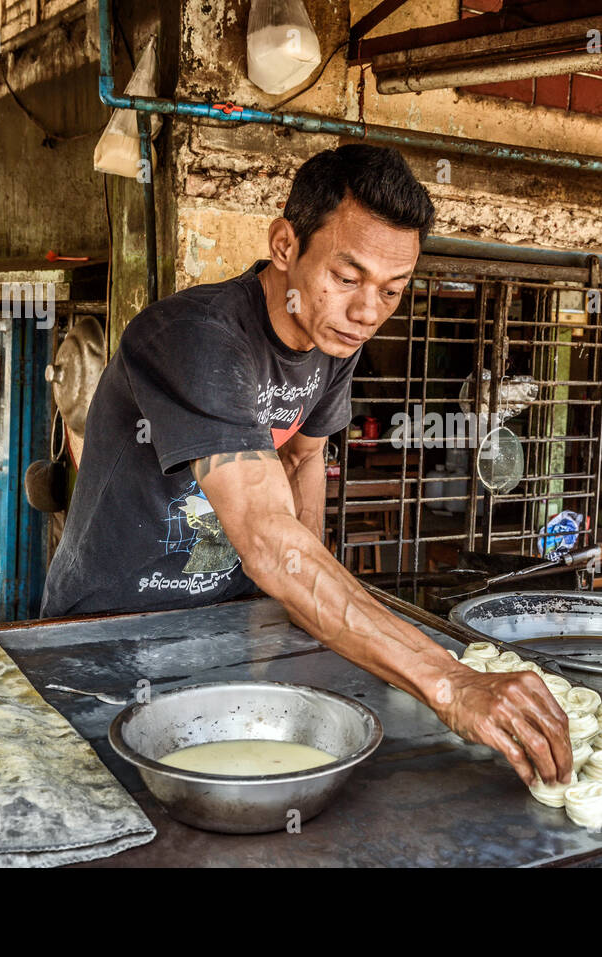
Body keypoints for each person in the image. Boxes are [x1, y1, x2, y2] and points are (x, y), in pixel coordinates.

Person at [39, 144, 571, 787]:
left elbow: (305, 451)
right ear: (286, 244)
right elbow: (265, 534)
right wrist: (453, 683)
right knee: (110, 807)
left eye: (392, 291)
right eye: (347, 278)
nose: (368, 311)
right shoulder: (194, 336)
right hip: (108, 631)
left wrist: (300, 602)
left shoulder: (333, 340)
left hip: (226, 624)